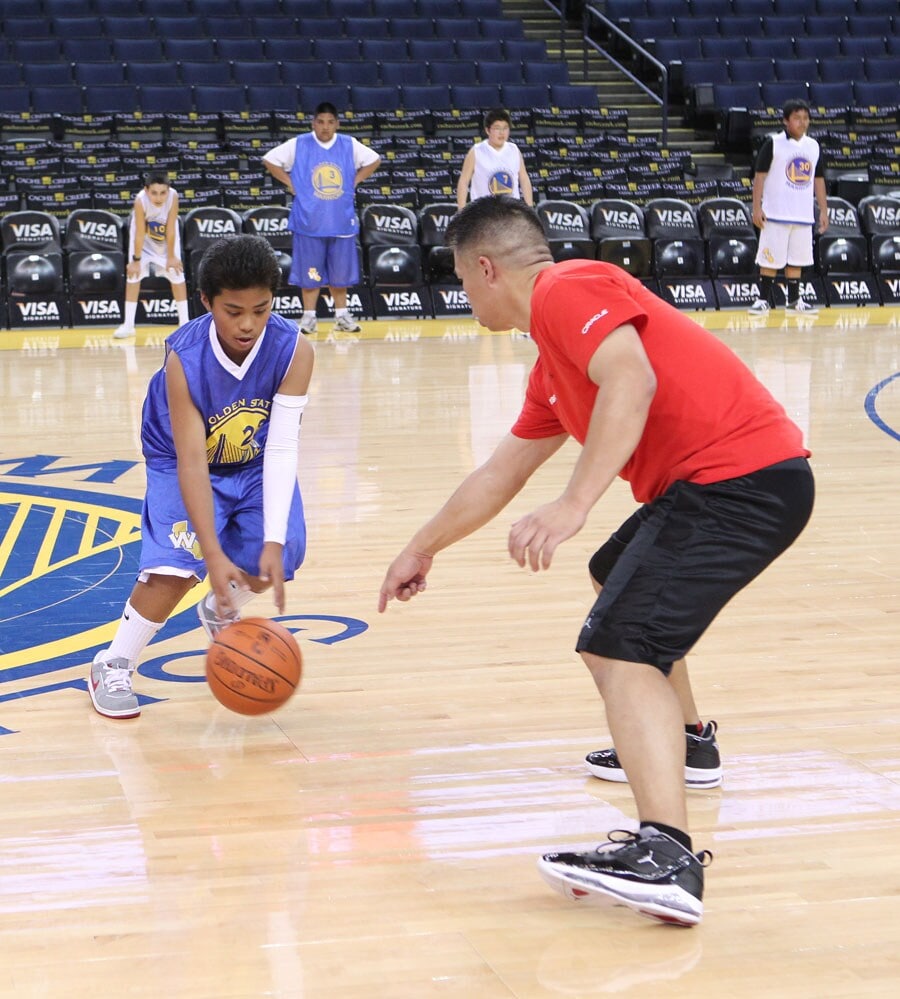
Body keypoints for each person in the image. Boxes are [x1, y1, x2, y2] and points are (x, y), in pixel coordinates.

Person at [377, 196, 814, 926]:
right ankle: (691, 743)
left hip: (739, 481)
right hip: (736, 482)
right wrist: (421, 547)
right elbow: (501, 471)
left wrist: (574, 503)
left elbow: (632, 379)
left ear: (487, 268)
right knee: (620, 579)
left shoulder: (565, 287)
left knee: (620, 641)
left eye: (461, 277)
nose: (462, 293)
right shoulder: (552, 362)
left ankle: (665, 853)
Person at [89, 235, 315, 720]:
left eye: (261, 309)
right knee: (176, 564)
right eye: (233, 310)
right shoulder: (184, 359)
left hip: (252, 459)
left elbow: (280, 447)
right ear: (207, 301)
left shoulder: (294, 350)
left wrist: (273, 540)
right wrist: (210, 556)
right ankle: (113, 661)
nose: (248, 324)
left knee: (282, 548)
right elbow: (192, 461)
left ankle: (220, 607)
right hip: (181, 458)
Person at [262, 101, 381, 337]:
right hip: (309, 220)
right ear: (313, 123)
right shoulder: (299, 144)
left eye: (330, 122)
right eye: (320, 122)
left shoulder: (349, 144)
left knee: (340, 274)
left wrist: (354, 181)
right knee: (310, 273)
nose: (325, 127)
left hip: (340, 220)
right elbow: (269, 160)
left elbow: (374, 160)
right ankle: (309, 318)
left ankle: (342, 316)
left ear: (337, 124)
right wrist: (291, 184)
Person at [748, 98, 828, 317]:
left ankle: (794, 300)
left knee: (797, 260)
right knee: (769, 258)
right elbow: (759, 177)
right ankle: (763, 299)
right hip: (775, 213)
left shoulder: (813, 146)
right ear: (786, 121)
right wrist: (757, 208)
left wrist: (823, 210)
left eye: (805, 118)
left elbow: (819, 179)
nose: (802, 123)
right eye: (797, 118)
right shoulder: (773, 143)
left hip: (802, 214)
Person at [113, 170, 190, 339]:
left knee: (177, 275)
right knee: (133, 276)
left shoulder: (174, 197)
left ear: (168, 190)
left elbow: (171, 227)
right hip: (143, 241)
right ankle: (128, 325)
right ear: (147, 190)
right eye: (154, 193)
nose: (159, 197)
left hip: (166, 240)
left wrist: (171, 256)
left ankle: (184, 324)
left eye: (163, 193)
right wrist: (136, 260)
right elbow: (140, 232)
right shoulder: (140, 200)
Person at [456, 107, 534, 211]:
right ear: (487, 130)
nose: (502, 133)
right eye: (497, 128)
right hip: (484, 212)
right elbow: (464, 181)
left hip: (510, 212)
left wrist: (530, 208)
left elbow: (524, 179)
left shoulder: (514, 149)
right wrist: (461, 211)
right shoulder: (476, 151)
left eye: (505, 128)